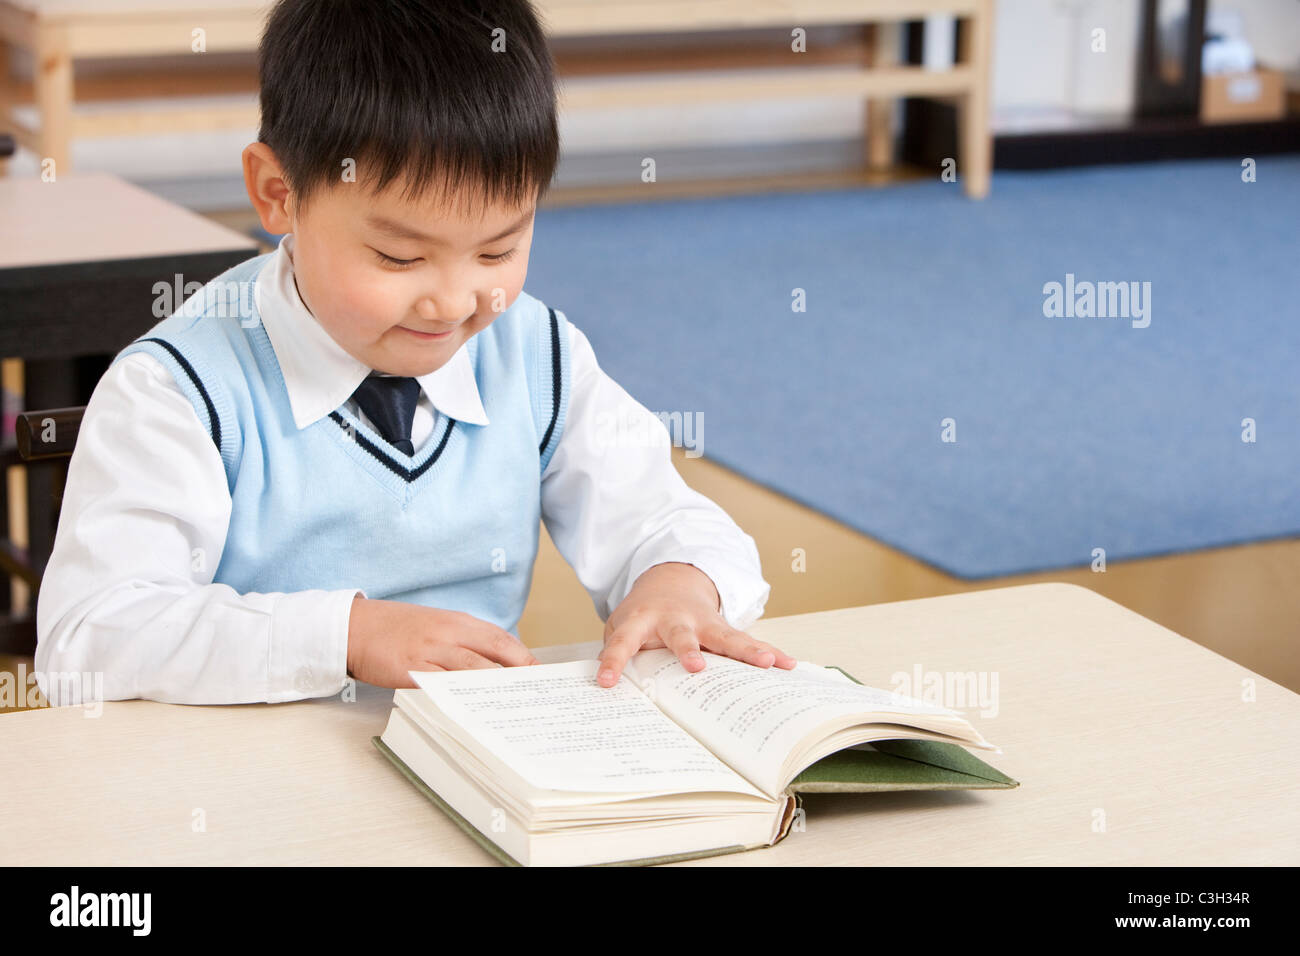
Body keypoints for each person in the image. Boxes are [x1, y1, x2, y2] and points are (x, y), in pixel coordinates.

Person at [35, 0, 795, 706]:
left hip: (475, 774)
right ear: (278, 195)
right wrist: (351, 637)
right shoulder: (179, 391)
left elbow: (666, 518)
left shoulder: (534, 356)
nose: (454, 301)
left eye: (499, 250)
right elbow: (88, 638)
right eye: (399, 258)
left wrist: (678, 584)